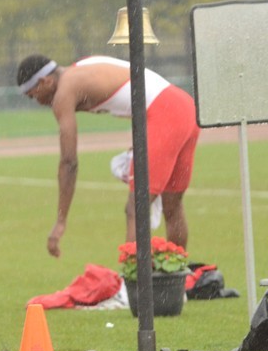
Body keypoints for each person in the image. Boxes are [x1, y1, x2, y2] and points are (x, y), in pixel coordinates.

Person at [15, 54, 200, 258]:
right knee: (172, 206)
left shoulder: (64, 93)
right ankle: (178, 282)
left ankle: (136, 286)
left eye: (33, 95)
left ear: (45, 81)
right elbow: (137, 93)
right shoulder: (80, 69)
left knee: (136, 207)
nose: (38, 102)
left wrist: (61, 221)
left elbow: (69, 162)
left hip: (165, 114)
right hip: (185, 107)